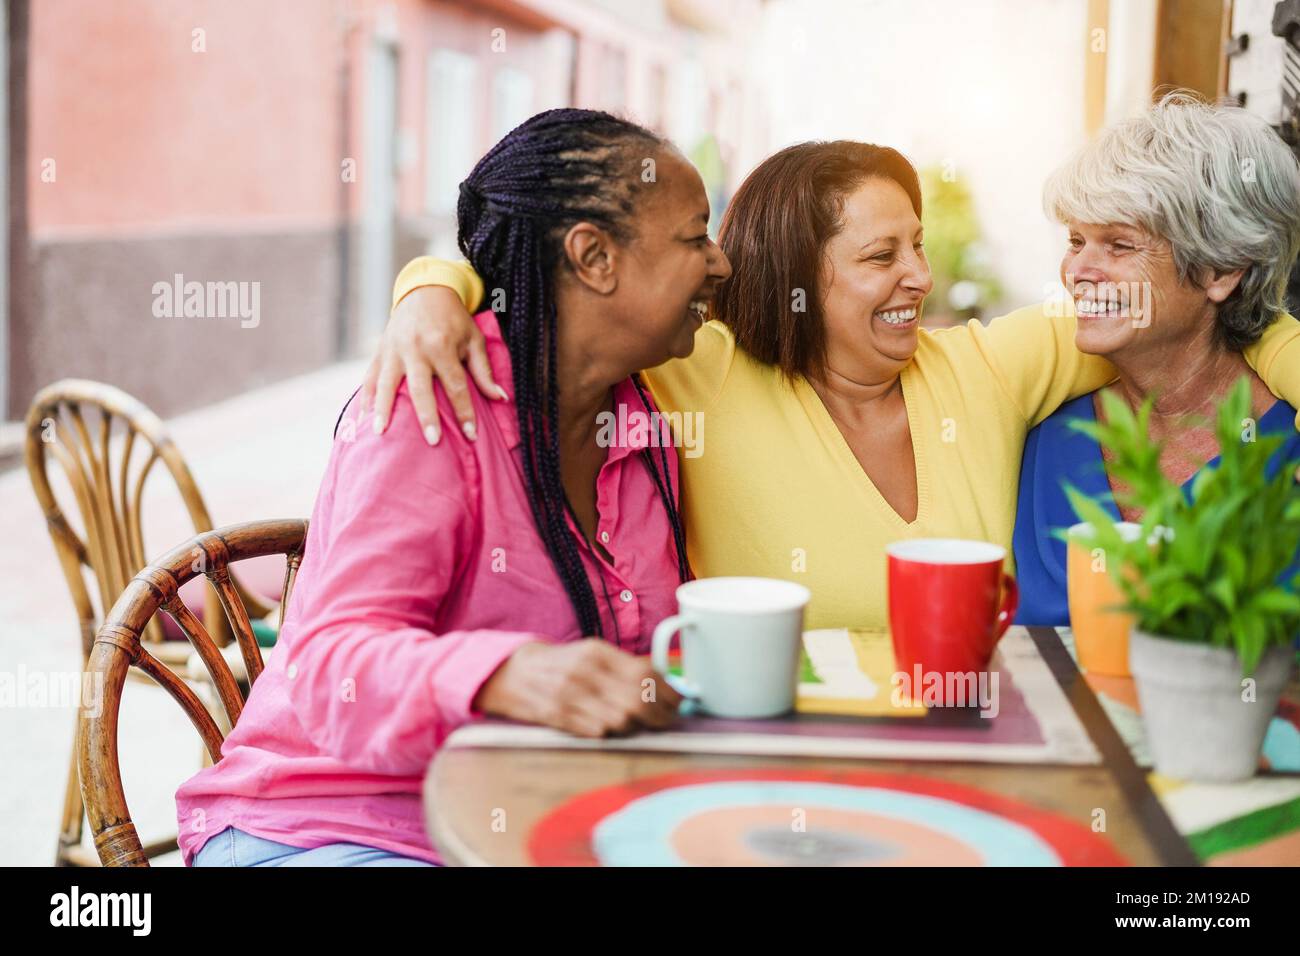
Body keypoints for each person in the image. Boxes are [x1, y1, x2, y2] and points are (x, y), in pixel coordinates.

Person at [364, 102, 1300, 630]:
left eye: (921, 246)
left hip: (971, 766)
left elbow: (1182, 326)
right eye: (881, 256)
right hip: (775, 773)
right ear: (793, 273)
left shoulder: (991, 366)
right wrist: (430, 289)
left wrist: (1283, 345)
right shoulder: (702, 371)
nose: (922, 279)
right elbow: (541, 279)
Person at [175, 108, 731, 866]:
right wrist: (507, 672)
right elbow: (331, 661)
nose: (720, 262)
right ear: (594, 256)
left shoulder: (640, 422)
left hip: (520, 819)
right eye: (695, 236)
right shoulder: (432, 400)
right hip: (331, 824)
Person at [1014, 95, 1300, 623]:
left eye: (1119, 245)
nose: (1079, 269)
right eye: (1076, 240)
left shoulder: (1285, 455)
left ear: (1221, 271)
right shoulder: (1041, 431)